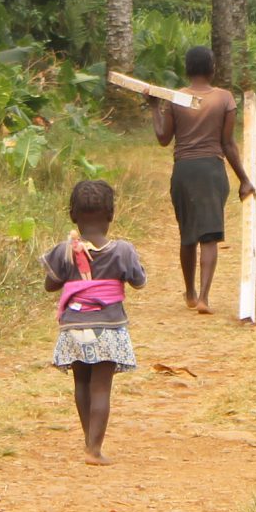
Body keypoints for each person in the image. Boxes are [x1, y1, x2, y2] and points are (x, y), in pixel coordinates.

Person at [43, 178, 147, 465]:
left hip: (73, 327)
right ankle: (94, 448)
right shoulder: (123, 250)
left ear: (72, 215)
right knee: (101, 386)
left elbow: (50, 285)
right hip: (109, 328)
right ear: (111, 215)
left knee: (82, 384)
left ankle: (89, 438)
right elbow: (139, 281)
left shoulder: (64, 251)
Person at [150, 45, 255, 315]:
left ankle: (189, 292)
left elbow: (163, 139)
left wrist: (154, 108)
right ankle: (204, 297)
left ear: (187, 70)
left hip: (183, 171)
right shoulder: (224, 99)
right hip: (211, 171)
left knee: (188, 235)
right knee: (209, 236)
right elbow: (228, 144)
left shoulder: (176, 98)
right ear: (213, 68)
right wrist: (244, 179)